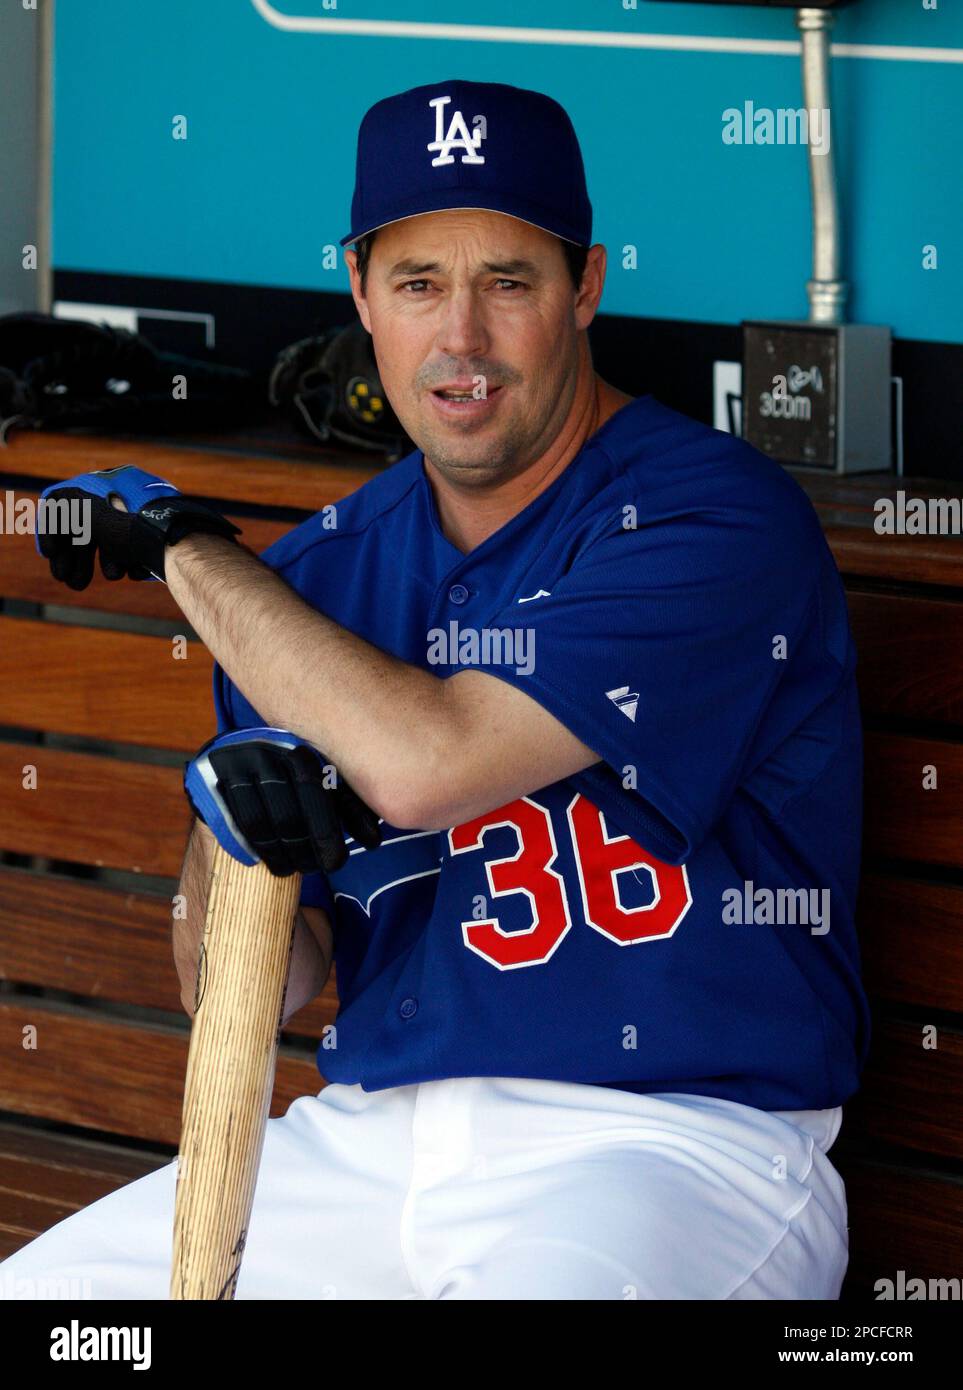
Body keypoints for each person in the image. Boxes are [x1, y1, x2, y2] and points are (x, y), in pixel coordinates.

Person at [2, 79, 869, 1301]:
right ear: (360, 293)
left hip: (667, 1149)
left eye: (507, 281)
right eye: (416, 284)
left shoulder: (711, 516)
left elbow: (428, 760)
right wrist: (228, 834)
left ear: (586, 287)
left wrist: (185, 551)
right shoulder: (314, 579)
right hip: (366, 1142)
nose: (460, 337)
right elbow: (250, 979)